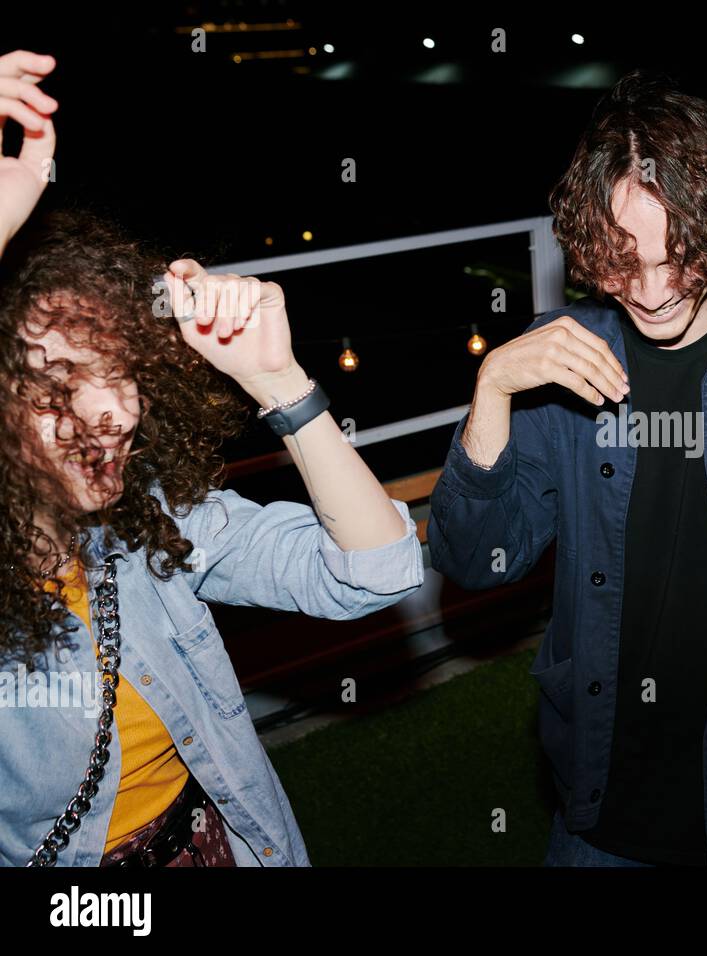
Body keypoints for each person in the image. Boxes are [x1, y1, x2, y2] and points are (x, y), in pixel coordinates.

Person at [428, 71, 707, 865]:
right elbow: (476, 558)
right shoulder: (559, 349)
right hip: (601, 790)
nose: (648, 291)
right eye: (617, 260)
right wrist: (492, 388)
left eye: (674, 255)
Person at [0, 54, 424, 865]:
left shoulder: (149, 518)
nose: (117, 409)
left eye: (119, 368)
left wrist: (281, 386)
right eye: (60, 384)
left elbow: (381, 572)